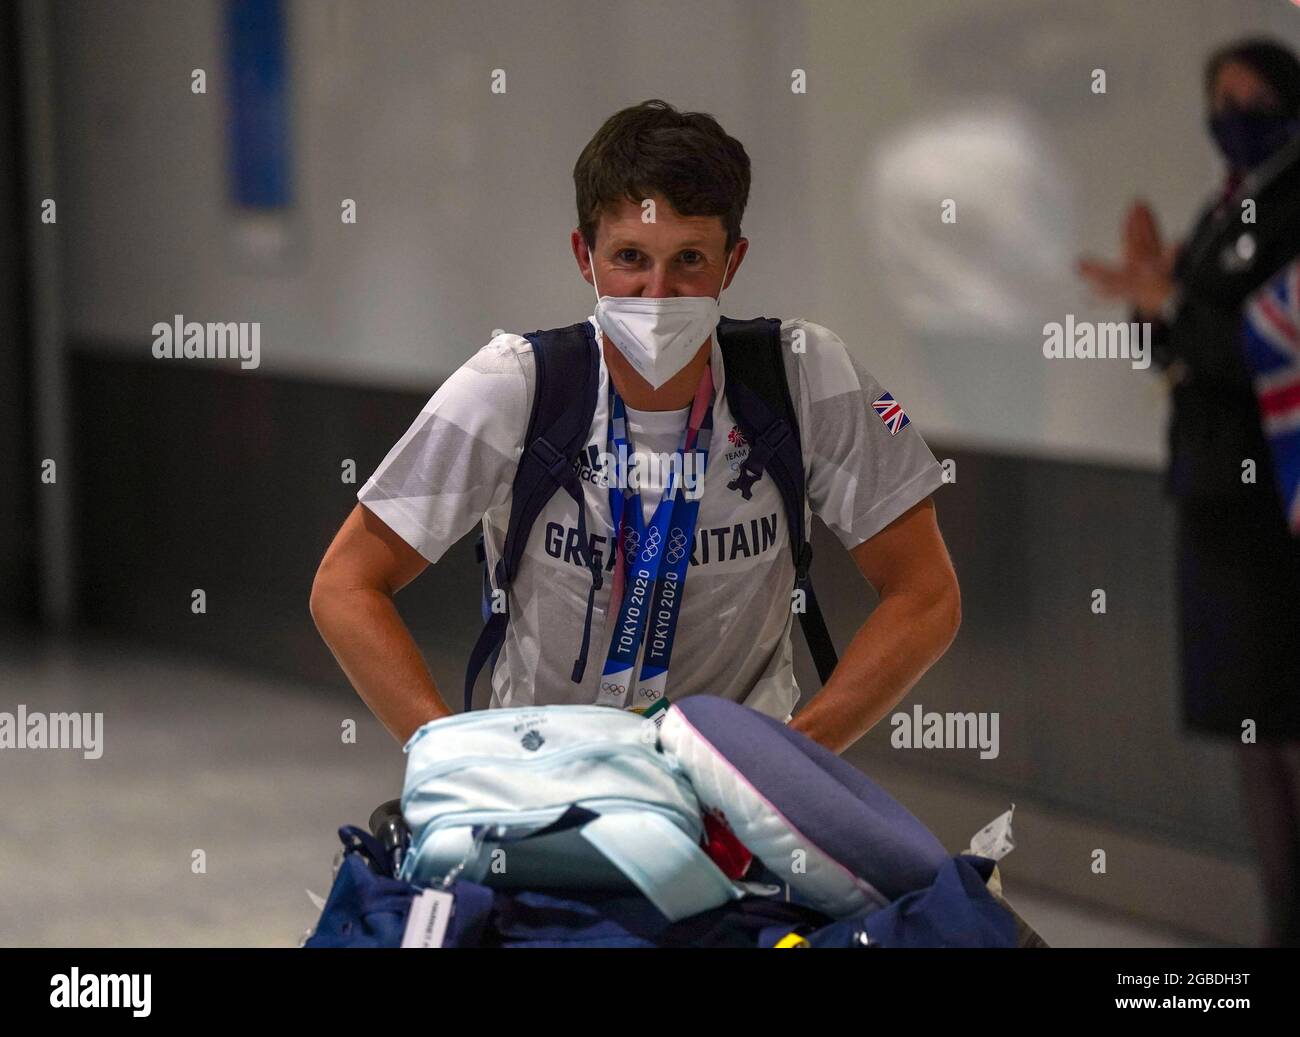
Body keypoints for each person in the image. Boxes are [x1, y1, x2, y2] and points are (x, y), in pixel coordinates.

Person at [310, 100, 960, 757]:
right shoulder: (512, 382)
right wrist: (452, 756)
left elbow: (926, 592)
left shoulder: (810, 374)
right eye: (629, 257)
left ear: (731, 263)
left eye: (689, 260)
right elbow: (346, 584)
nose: (656, 294)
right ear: (584, 256)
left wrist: (794, 754)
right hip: (546, 789)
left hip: (733, 799)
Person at [1078, 39, 1300, 947]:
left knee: (1288, 713)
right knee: (1249, 717)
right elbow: (1184, 357)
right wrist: (1148, 307)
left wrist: (1174, 298)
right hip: (1212, 493)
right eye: (1223, 97)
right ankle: (1282, 913)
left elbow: (1263, 348)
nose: (1235, 113)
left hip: (1276, 503)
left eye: (1255, 97)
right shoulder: (1224, 210)